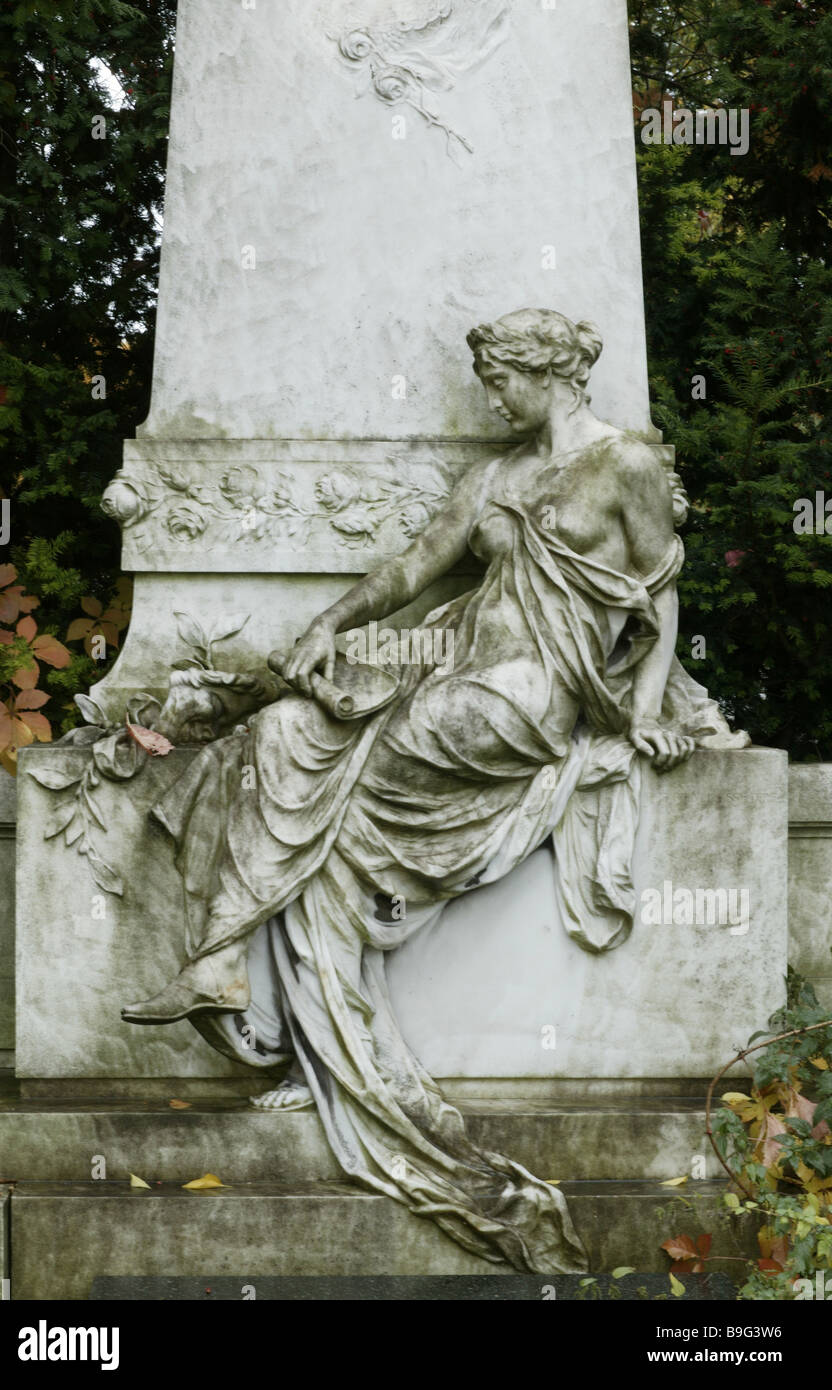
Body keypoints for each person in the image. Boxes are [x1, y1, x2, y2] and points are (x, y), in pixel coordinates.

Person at [122, 309, 743, 1273]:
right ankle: (301, 1025)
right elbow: (414, 566)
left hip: (536, 696)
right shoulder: (495, 479)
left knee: (362, 752)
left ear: (553, 374)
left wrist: (643, 713)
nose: (492, 397)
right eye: (487, 380)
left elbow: (657, 594)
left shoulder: (624, 465)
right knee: (286, 735)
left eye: (504, 379)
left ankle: (278, 994)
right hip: (457, 679)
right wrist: (329, 621)